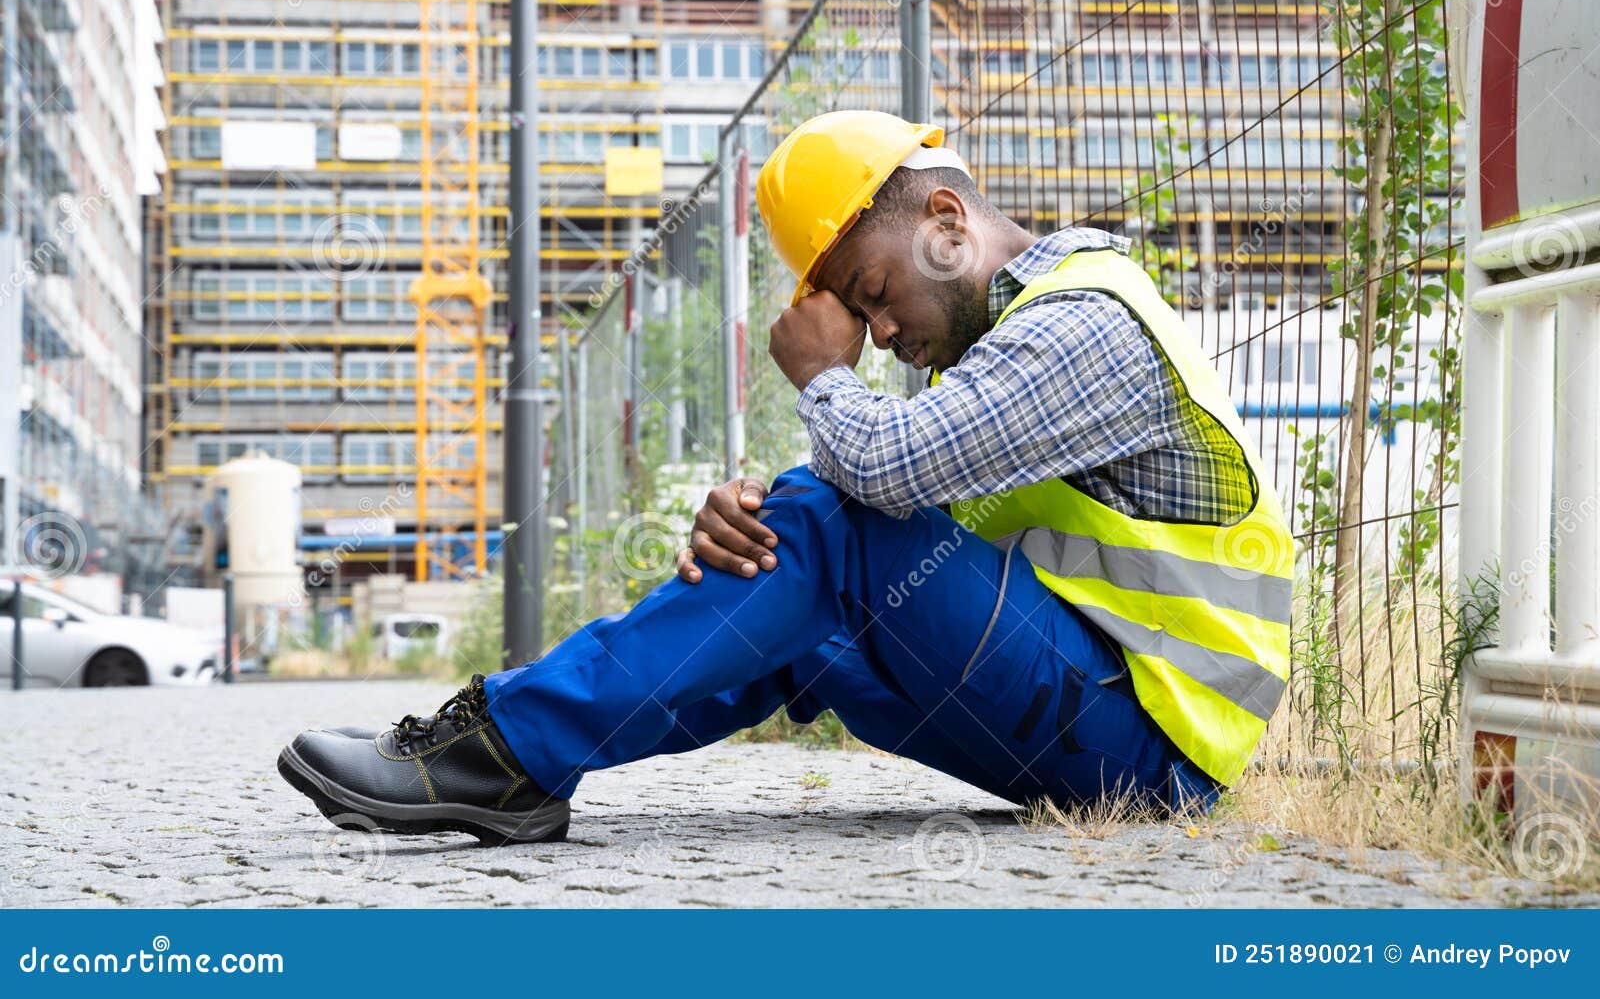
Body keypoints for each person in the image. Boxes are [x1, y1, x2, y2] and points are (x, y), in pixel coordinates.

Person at [278, 110, 1295, 844]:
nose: (883, 335)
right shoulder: (1011, 350)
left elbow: (884, 472)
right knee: (795, 550)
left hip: (1153, 751)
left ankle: (503, 749)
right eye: (862, 316)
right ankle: (522, 761)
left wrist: (818, 374)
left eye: (875, 293)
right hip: (1089, 718)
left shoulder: (1082, 321)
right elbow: (883, 505)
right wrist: (752, 525)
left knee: (820, 523)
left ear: (947, 220)